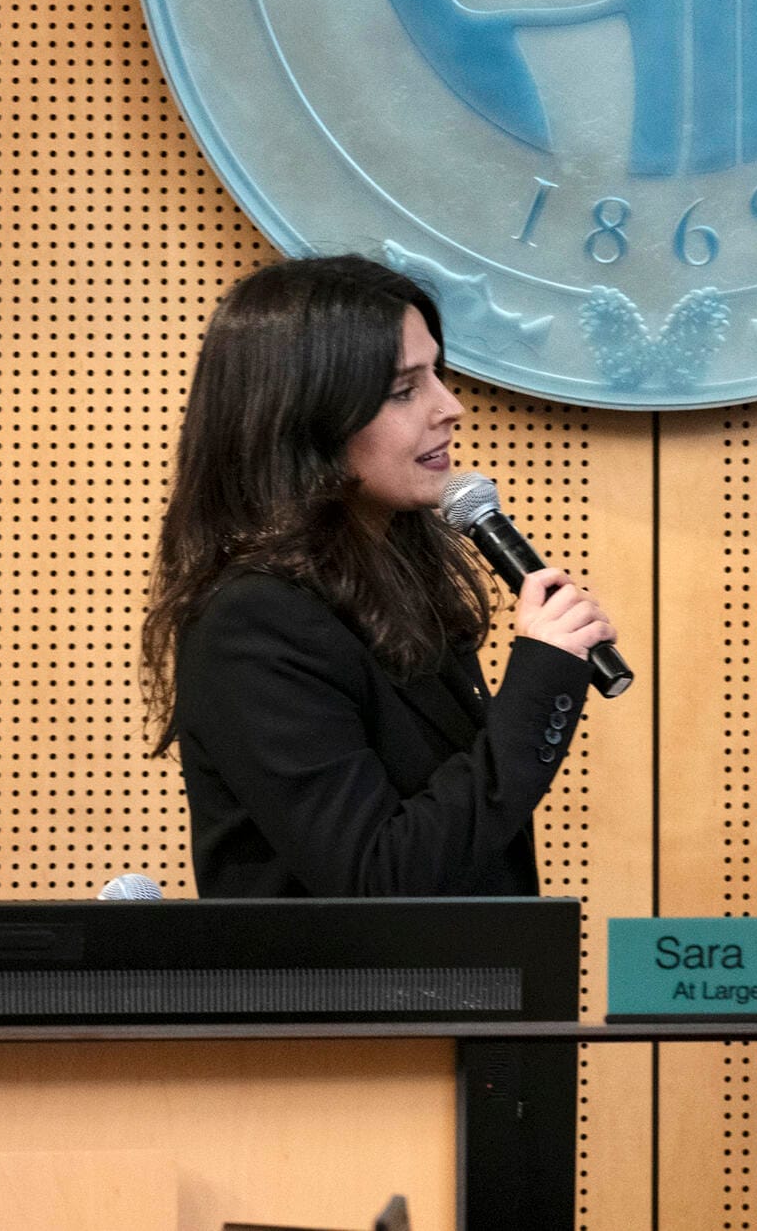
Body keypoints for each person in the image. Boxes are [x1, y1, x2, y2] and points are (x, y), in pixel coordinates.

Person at [141, 255, 617, 897]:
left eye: (437, 377)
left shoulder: (395, 592)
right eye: (403, 390)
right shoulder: (254, 624)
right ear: (306, 420)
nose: (450, 408)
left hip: (466, 991)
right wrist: (535, 687)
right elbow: (379, 879)